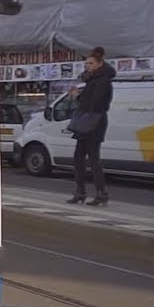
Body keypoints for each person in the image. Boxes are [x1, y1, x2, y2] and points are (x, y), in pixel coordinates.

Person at [67, 47, 114, 206]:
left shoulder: (102, 81)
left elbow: (95, 103)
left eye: (91, 63)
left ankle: (100, 194)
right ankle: (81, 192)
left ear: (99, 64)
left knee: (93, 158)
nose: (87, 66)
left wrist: (78, 96)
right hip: (89, 121)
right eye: (86, 63)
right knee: (79, 156)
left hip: (95, 122)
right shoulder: (93, 80)